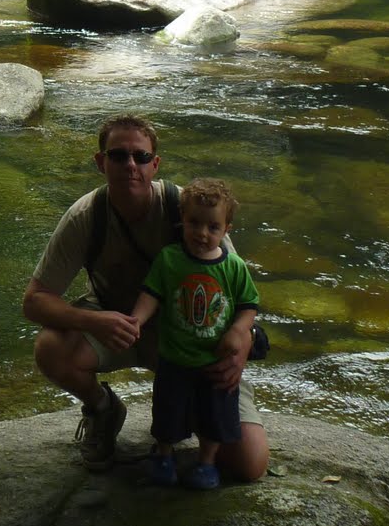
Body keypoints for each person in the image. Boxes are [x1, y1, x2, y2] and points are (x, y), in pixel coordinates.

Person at [21, 116, 268, 481]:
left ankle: (188, 422)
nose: (130, 165)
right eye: (118, 156)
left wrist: (242, 342)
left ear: (155, 164)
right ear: (100, 162)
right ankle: (103, 409)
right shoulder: (86, 216)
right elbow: (34, 301)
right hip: (116, 327)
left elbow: (239, 293)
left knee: (248, 465)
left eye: (140, 156)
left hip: (192, 338)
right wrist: (93, 320)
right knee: (50, 348)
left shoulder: (193, 211)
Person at [130, 178, 259, 489]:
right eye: (194, 223)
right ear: (182, 220)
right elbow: (151, 295)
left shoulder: (234, 267)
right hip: (174, 358)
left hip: (214, 361)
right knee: (167, 411)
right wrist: (135, 320)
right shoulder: (169, 259)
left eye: (213, 227)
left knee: (214, 415)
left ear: (226, 229)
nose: (202, 233)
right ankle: (164, 456)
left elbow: (248, 306)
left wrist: (238, 331)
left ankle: (207, 463)